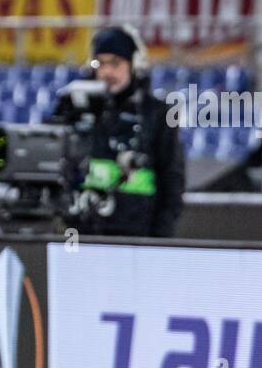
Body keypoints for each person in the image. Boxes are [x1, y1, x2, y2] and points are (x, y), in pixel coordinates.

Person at [68, 26, 185, 238]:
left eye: (115, 63)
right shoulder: (74, 110)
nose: (107, 72)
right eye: (100, 63)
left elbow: (172, 181)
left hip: (140, 235)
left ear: (134, 65)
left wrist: (161, 237)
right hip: (86, 233)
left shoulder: (158, 114)